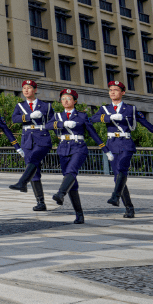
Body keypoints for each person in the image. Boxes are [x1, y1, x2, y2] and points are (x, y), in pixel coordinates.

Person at [92, 80, 153, 218]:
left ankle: (115, 196)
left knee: (122, 169)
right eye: (110, 90)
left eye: (115, 90)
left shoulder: (130, 109)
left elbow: (145, 123)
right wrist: (110, 117)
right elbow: (92, 119)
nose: (112, 92)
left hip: (126, 143)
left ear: (123, 92)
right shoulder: (105, 109)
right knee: (118, 178)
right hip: (112, 144)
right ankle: (129, 207)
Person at [48, 88, 103, 224]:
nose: (65, 101)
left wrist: (104, 148)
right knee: (71, 182)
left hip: (79, 147)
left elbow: (92, 133)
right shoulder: (58, 116)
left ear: (75, 101)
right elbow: (47, 126)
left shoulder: (82, 116)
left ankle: (60, 194)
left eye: (68, 98)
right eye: (63, 99)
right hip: (63, 148)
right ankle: (79, 214)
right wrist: (62, 124)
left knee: (71, 171)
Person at [8, 79, 54, 212]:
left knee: (33, 159)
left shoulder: (46, 106)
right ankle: (40, 203)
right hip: (27, 139)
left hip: (42, 138)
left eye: (29, 88)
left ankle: (22, 183)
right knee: (34, 171)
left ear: (35, 89)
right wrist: (28, 116)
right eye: (24, 88)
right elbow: (14, 119)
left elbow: (53, 121)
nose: (26, 90)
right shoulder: (20, 106)